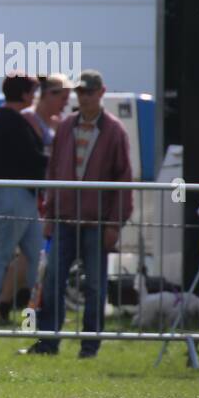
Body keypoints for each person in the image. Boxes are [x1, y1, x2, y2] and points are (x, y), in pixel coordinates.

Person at [24, 69, 133, 358]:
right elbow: (54, 172)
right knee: (52, 282)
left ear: (101, 92)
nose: (83, 97)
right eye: (80, 92)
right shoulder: (66, 126)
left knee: (95, 288)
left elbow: (124, 180)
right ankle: (48, 342)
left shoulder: (114, 130)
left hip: (97, 222)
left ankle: (89, 346)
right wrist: (49, 214)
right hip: (64, 220)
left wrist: (114, 223)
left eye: (89, 91)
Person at [0, 72, 45, 325]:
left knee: (38, 255)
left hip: (19, 196)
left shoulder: (3, 119)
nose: (36, 97)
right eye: (34, 92)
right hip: (10, 194)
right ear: (25, 94)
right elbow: (31, 158)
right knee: (1, 253)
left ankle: (39, 309)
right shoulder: (10, 121)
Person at [24, 72, 72, 158]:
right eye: (63, 98)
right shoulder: (29, 117)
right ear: (48, 94)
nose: (66, 103)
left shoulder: (59, 121)